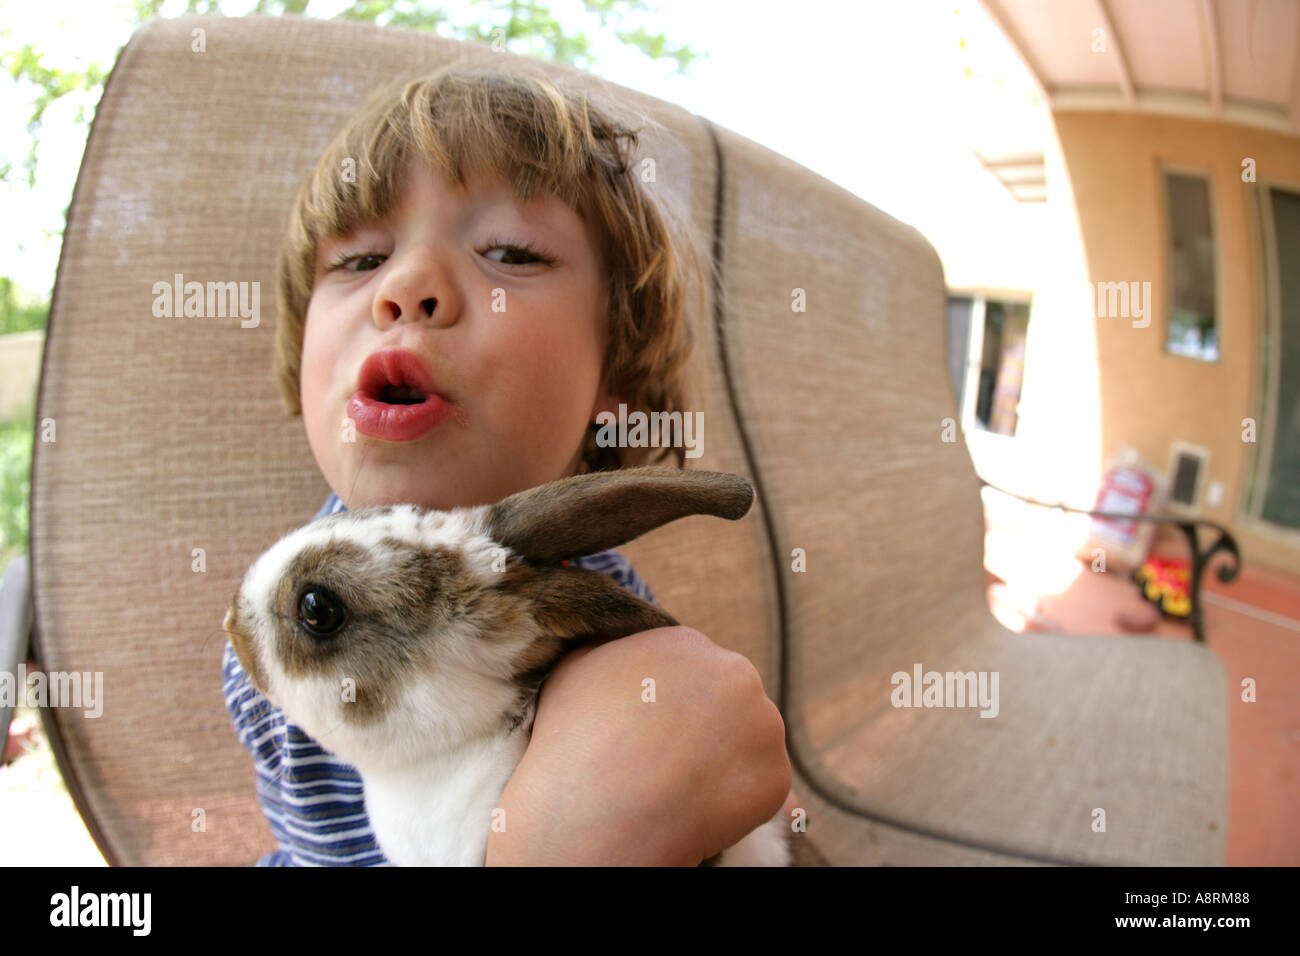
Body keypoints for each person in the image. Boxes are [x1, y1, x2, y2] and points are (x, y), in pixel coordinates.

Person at [222, 65, 795, 865]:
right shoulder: (289, 630)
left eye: (511, 253)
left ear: (615, 381)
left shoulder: (606, 609)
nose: (407, 286)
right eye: (357, 261)